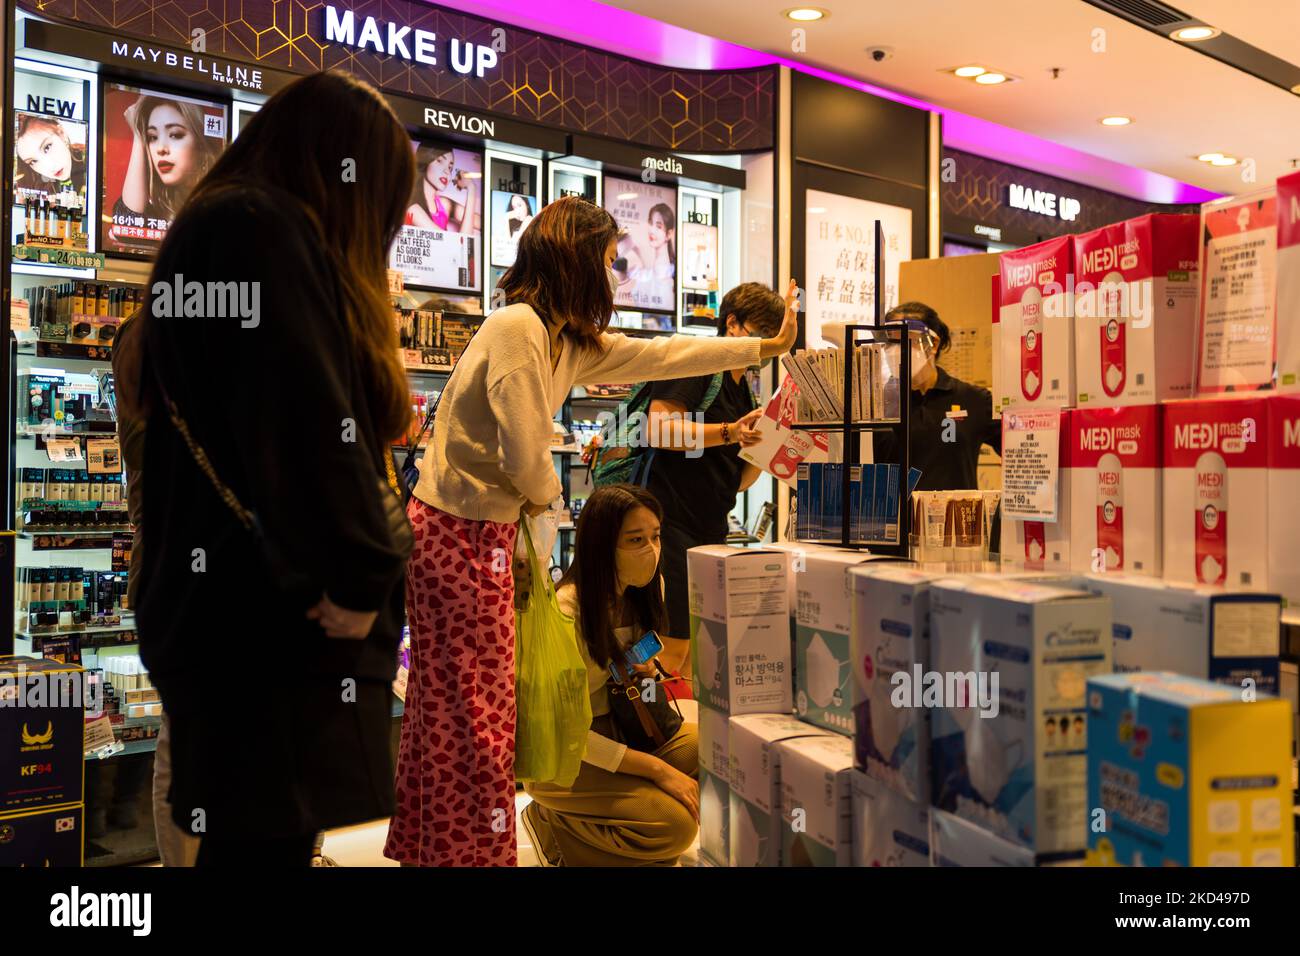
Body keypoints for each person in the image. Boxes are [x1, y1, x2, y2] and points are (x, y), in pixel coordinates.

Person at [384, 195, 798, 867]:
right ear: (577, 261)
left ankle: (448, 850)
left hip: (485, 539)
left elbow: (664, 355)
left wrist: (765, 346)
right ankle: (463, 854)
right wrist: (551, 505)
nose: (616, 277)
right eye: (609, 261)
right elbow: (525, 461)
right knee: (471, 716)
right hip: (457, 540)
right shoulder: (519, 328)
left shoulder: (562, 341)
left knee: (468, 711)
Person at [117, 71, 415, 867]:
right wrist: (361, 578)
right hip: (270, 636)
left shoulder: (221, 227)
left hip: (233, 627)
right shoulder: (259, 230)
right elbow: (314, 431)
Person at [520, 484, 697, 866]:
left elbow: (641, 662)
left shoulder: (646, 589)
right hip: (568, 757)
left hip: (625, 729)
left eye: (656, 536)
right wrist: (657, 770)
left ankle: (619, 818)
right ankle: (554, 826)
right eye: (635, 539)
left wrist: (650, 672)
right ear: (602, 545)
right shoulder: (568, 611)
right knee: (676, 827)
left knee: (715, 752)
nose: (651, 549)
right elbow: (569, 734)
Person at [642, 281, 791, 654]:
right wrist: (730, 432)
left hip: (709, 530)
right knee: (671, 645)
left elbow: (735, 482)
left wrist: (768, 447)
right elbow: (659, 429)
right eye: (762, 337)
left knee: (698, 648)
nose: (767, 350)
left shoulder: (742, 389)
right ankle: (635, 699)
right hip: (666, 526)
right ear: (732, 324)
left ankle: (665, 707)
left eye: (775, 342)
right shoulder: (699, 361)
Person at [874, 301, 1001, 491]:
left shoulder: (974, 400)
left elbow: (1017, 452)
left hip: (957, 517)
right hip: (899, 520)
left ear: (933, 344)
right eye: (892, 342)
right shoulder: (877, 406)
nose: (897, 351)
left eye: (907, 340)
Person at [117, 95, 222, 223]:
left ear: (200, 144)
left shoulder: (218, 204)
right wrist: (139, 137)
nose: (161, 149)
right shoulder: (156, 207)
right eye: (152, 137)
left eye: (175, 135)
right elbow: (128, 223)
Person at [14, 113, 87, 196]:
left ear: (61, 133)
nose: (49, 166)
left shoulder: (92, 161)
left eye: (47, 148)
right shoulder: (36, 186)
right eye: (33, 161)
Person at [407, 147, 476, 233]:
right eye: (439, 161)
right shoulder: (413, 208)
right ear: (425, 161)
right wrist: (472, 189)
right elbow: (456, 245)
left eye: (450, 167)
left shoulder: (444, 204)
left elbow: (481, 222)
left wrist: (471, 186)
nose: (447, 171)